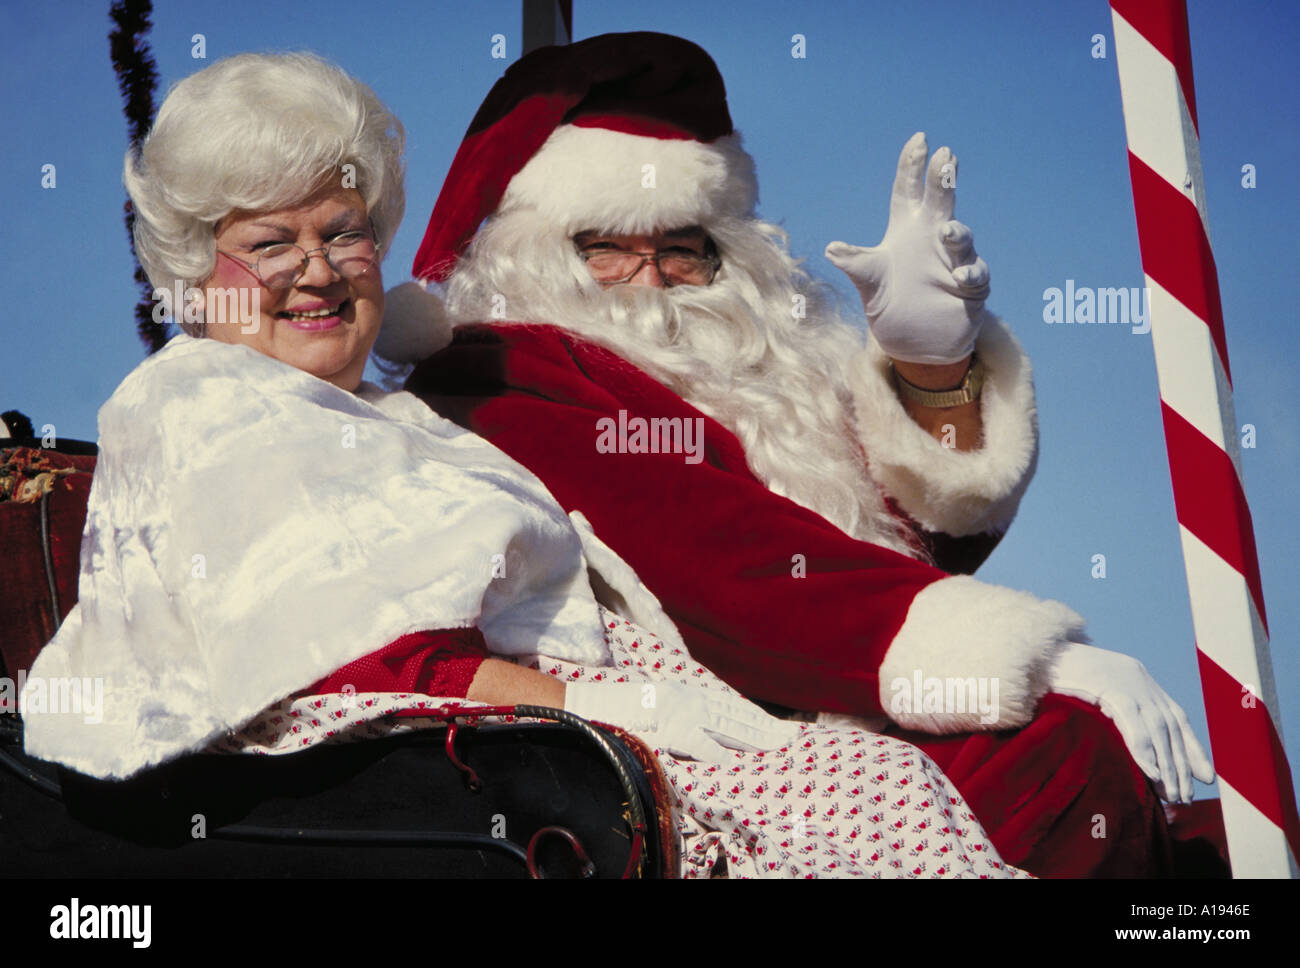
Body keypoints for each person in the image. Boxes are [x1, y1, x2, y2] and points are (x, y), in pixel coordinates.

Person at [20, 51, 1027, 879]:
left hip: (609, 727)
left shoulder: (378, 409)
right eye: (271, 244)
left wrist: (935, 369)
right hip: (506, 758)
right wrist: (623, 706)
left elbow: (899, 533)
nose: (319, 269)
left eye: (344, 232)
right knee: (878, 792)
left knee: (886, 783)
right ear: (198, 273)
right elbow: (354, 653)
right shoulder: (210, 403)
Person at [387, 32, 1218, 877]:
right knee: (1062, 763)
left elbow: (917, 550)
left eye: (682, 248)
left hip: (828, 701)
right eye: (605, 248)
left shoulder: (766, 379)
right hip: (687, 736)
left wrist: (934, 370)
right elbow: (722, 563)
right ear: (535, 254)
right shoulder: (509, 369)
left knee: (1207, 837)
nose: (651, 280)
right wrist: (1044, 659)